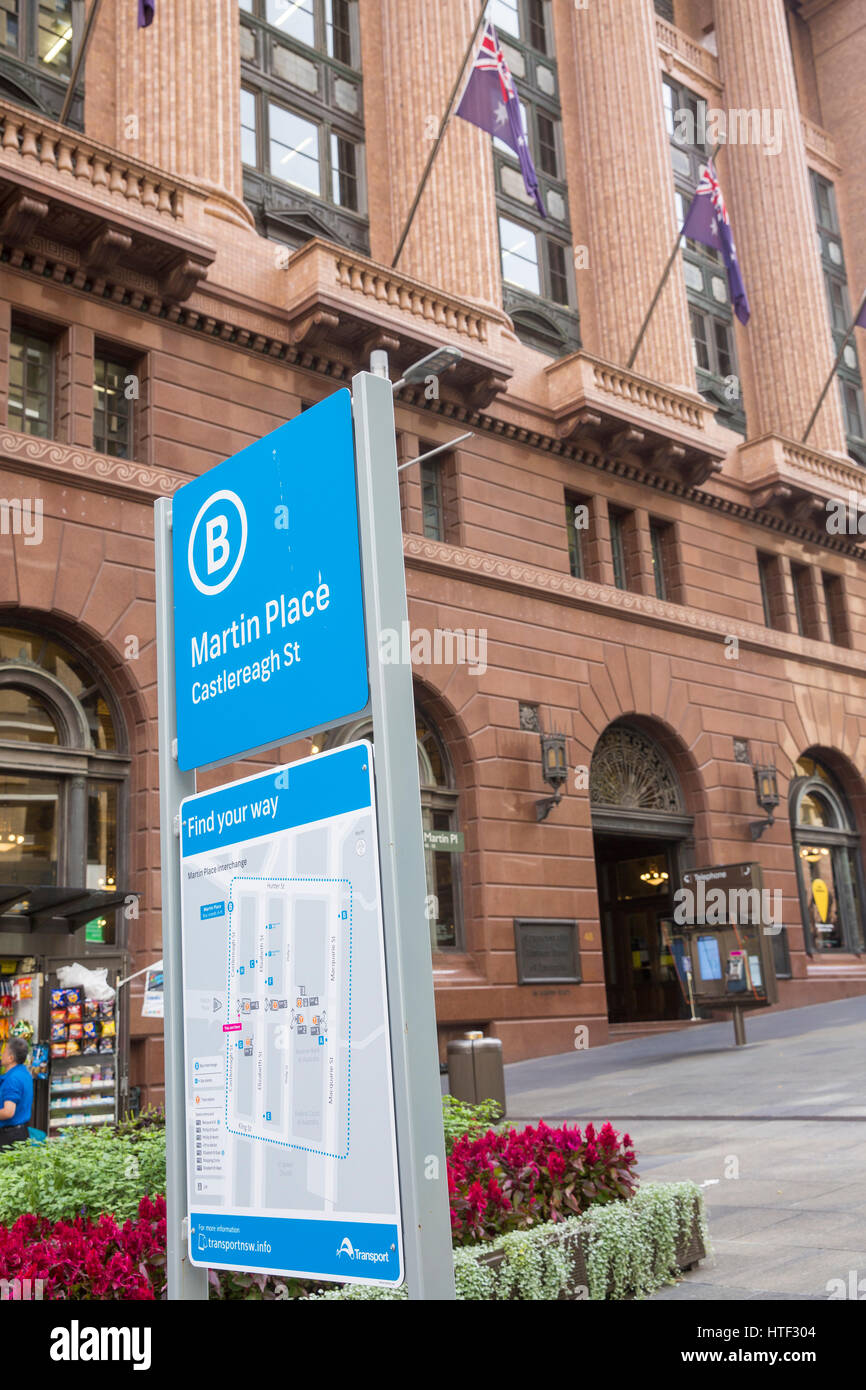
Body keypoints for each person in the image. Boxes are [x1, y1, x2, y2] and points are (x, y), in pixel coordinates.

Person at [0, 1037, 33, 1148]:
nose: (1, 1054)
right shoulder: (24, 1073)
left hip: (8, 1137)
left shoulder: (12, 1079)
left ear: (11, 1058)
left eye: (4, 1052)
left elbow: (8, 1112)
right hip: (21, 1133)